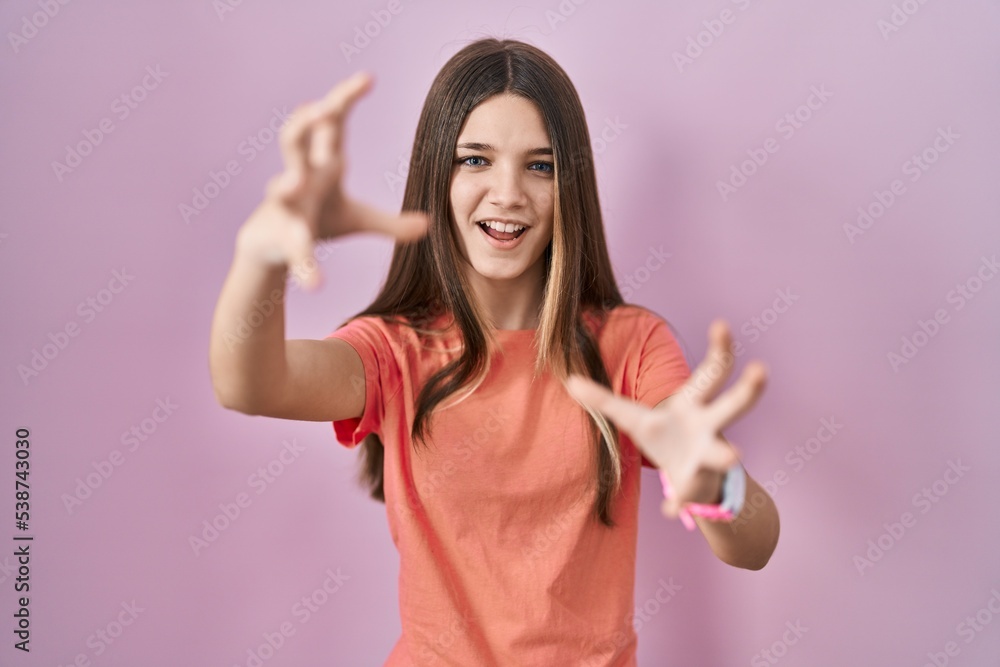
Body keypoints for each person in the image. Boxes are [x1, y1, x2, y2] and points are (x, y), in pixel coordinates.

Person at [209, 38, 779, 667]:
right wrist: (258, 258)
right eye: (475, 159)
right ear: (436, 176)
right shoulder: (396, 350)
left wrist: (714, 480)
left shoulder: (630, 346)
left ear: (572, 185)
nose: (507, 192)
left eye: (540, 166)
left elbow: (752, 546)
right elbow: (251, 384)